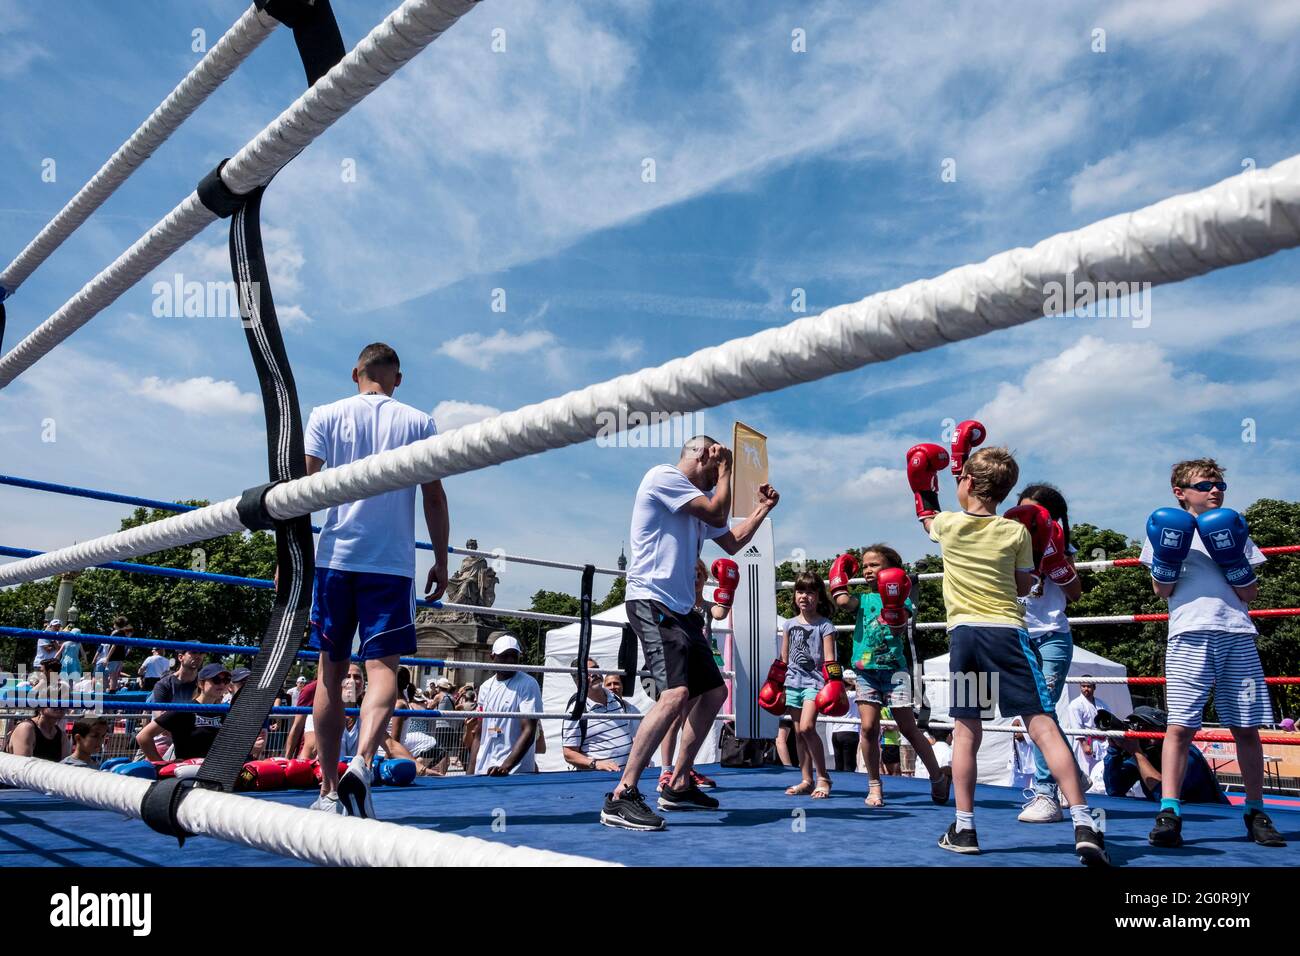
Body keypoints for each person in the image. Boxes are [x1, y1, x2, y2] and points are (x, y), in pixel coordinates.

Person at [910, 439, 1107, 864]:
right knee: (1043, 725)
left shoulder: (948, 526)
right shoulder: (1017, 530)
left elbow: (926, 514)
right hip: (1007, 634)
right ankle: (1083, 822)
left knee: (966, 732)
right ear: (1003, 493)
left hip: (965, 638)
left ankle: (964, 829)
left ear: (964, 482)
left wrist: (924, 483)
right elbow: (1023, 587)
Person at [302, 342, 451, 819]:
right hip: (389, 563)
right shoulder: (419, 421)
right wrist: (442, 558)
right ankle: (363, 763)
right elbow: (434, 498)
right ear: (397, 379)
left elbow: (297, 493)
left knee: (330, 671)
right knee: (383, 670)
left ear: (355, 372)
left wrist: (290, 558)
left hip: (335, 558)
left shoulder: (325, 414)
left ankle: (327, 789)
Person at [601, 435, 780, 830]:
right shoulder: (663, 477)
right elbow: (719, 514)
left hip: (682, 610)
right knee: (676, 694)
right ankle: (622, 794)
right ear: (701, 457)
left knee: (714, 691)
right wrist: (726, 471)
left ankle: (679, 782)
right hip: (652, 600)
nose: (720, 469)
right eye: (714, 461)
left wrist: (762, 509)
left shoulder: (698, 504)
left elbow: (731, 541)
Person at [1141, 458, 1284, 848]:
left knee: (1246, 728)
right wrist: (1168, 561)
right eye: (1205, 485)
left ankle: (1255, 810)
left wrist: (1234, 563)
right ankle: (1169, 811)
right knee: (1181, 727)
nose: (1216, 490)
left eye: (1220, 484)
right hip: (1189, 634)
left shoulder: (1235, 526)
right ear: (1180, 492)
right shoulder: (1163, 526)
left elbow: (1251, 593)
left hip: (1237, 633)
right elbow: (1161, 591)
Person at [829, 544, 951, 806]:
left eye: (874, 564)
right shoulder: (863, 599)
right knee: (869, 727)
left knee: (908, 728)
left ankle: (937, 777)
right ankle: (874, 785)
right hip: (866, 673)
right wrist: (840, 577)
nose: (868, 570)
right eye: (864, 566)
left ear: (891, 569)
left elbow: (898, 627)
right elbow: (841, 602)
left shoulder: (904, 596)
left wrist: (893, 599)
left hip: (895, 671)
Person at [1008, 484, 1087, 824]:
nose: (1026, 518)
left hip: (1053, 635)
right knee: (1037, 712)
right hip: (1017, 635)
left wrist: (1057, 563)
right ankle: (1072, 775)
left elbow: (1076, 594)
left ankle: (1046, 793)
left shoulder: (1062, 544)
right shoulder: (1007, 542)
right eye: (1021, 509)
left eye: (1033, 512)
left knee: (1042, 709)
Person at [657, 559, 726, 791]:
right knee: (674, 717)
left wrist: (727, 587)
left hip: (700, 665)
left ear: (705, 578)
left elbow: (721, 612)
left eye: (699, 574)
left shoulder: (706, 606)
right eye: (690, 574)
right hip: (678, 662)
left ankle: (684, 768)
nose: (695, 579)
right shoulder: (675, 605)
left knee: (691, 720)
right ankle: (666, 771)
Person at [770, 572, 840, 798]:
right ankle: (806, 779)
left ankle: (823, 777)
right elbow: (783, 657)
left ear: (819, 596)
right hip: (792, 682)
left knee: (808, 727)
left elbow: (830, 658)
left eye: (810, 592)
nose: (804, 596)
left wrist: (834, 684)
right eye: (800, 591)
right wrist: (775, 682)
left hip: (815, 683)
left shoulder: (825, 625)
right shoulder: (789, 625)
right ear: (794, 595)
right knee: (799, 733)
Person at [1101, 706, 1229, 805]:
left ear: (1163, 730)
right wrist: (1114, 749)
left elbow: (1164, 796)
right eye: (1138, 727)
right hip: (1178, 819)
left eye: (1148, 727)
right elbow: (1114, 789)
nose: (1141, 731)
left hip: (1211, 814)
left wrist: (1137, 753)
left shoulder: (1186, 753)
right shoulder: (1145, 752)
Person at [465, 635, 541, 775]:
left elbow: (529, 730)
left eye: (514, 656)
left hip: (515, 771)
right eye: (504, 656)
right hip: (484, 767)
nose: (510, 660)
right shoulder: (485, 687)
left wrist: (506, 766)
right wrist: (471, 770)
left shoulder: (528, 684)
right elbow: (480, 731)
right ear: (492, 657)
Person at [137, 664, 231, 762]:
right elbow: (143, 736)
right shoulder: (185, 709)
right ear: (201, 684)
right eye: (216, 680)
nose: (222, 684)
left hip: (215, 771)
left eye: (226, 680)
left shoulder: (223, 712)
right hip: (188, 772)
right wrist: (161, 765)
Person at [564, 658, 640, 771]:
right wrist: (596, 764)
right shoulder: (576, 710)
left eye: (595, 669)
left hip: (627, 775)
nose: (594, 674)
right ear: (578, 681)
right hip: (598, 779)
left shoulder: (616, 699)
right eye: (587, 672)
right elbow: (569, 753)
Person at [1067, 678, 1102, 776]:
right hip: (1085, 741)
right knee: (1085, 770)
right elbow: (1076, 726)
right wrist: (1084, 745)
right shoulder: (1075, 704)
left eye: (1089, 686)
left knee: (1099, 771)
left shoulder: (1101, 704)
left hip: (1100, 742)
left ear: (1094, 687)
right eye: (1083, 686)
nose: (1086, 689)